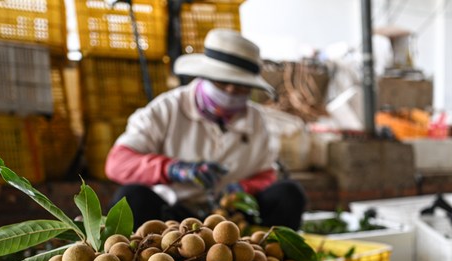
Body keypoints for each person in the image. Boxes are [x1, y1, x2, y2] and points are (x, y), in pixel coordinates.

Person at [104, 29, 307, 229]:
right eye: (223, 82)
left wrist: (242, 189)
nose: (230, 91)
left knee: (289, 194)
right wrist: (173, 169)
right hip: (173, 215)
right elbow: (117, 163)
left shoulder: (256, 121)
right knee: (132, 198)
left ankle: (273, 256)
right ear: (205, 75)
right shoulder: (166, 109)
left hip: (231, 216)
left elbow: (267, 174)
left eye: (240, 86)